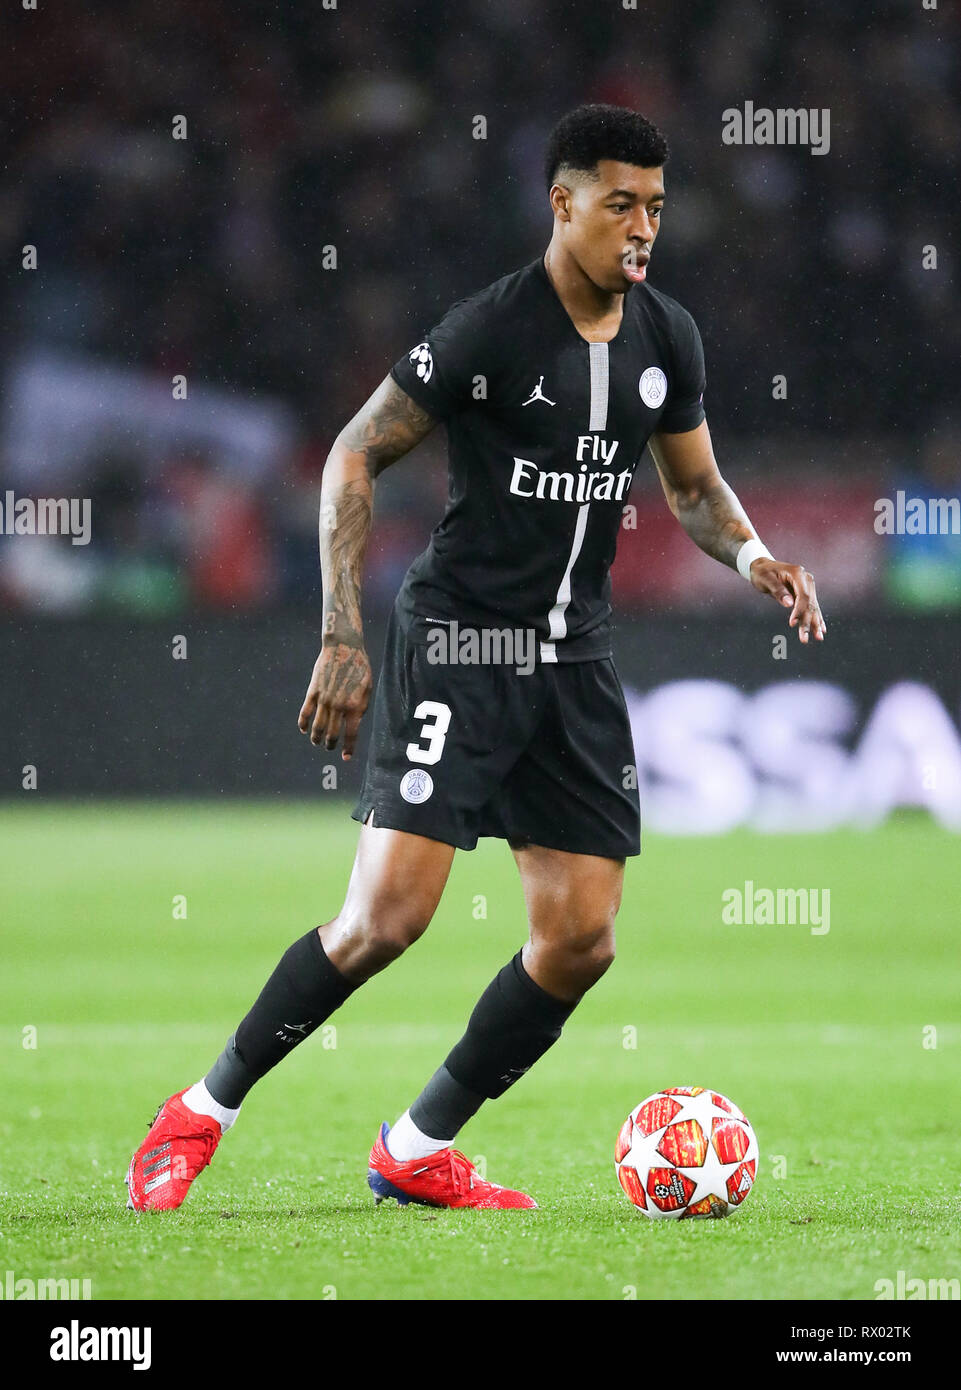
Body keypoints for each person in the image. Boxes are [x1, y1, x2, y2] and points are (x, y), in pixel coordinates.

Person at [126, 104, 825, 1213]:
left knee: (581, 940)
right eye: (619, 204)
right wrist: (341, 631)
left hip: (573, 658)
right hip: (461, 641)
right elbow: (354, 452)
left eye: (655, 207)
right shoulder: (493, 329)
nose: (642, 228)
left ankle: (414, 1146)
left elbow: (690, 488)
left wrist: (753, 556)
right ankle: (197, 1113)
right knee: (386, 919)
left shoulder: (666, 339)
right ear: (562, 204)